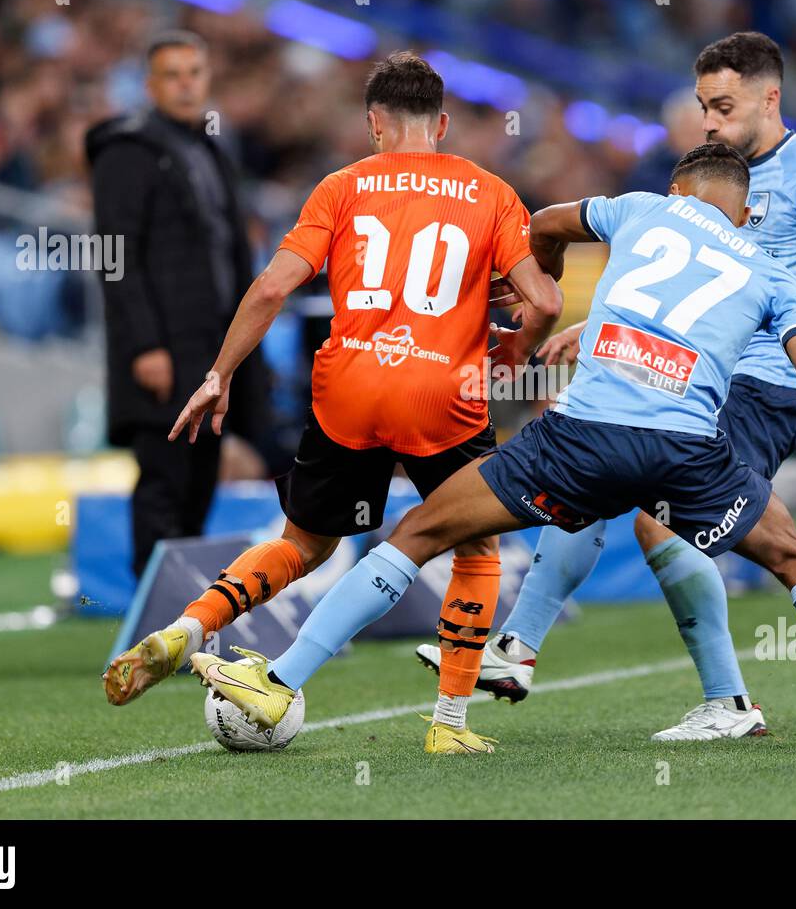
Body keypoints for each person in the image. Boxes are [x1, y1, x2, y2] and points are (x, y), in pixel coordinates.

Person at [192, 143, 796, 757]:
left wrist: (546, 276)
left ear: (679, 190)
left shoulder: (638, 209)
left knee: (419, 533)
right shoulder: (774, 273)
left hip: (580, 440)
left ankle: (283, 680)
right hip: (686, 452)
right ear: (747, 212)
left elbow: (545, 223)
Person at [420, 31, 796, 742]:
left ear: (770, 98)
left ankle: (723, 700)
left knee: (657, 511)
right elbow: (680, 287)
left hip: (762, 384)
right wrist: (595, 328)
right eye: (703, 107)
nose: (709, 121)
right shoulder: (711, 180)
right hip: (689, 373)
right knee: (600, 452)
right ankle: (520, 649)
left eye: (722, 106)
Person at [102, 53, 562, 758]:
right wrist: (505, 359)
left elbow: (268, 290)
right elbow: (547, 301)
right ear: (441, 123)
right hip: (442, 394)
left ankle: (186, 629)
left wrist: (219, 374)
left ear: (374, 124)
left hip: (348, 390)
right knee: (476, 549)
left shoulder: (341, 187)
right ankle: (448, 724)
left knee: (305, 544)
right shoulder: (490, 192)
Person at [86, 30, 271, 580]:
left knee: (198, 481)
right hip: (166, 350)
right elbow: (114, 255)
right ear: (150, 85)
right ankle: (150, 618)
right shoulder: (128, 151)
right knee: (163, 482)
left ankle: (179, 615)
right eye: (173, 74)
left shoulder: (210, 149)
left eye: (195, 72)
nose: (187, 85)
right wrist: (145, 345)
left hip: (213, 347)